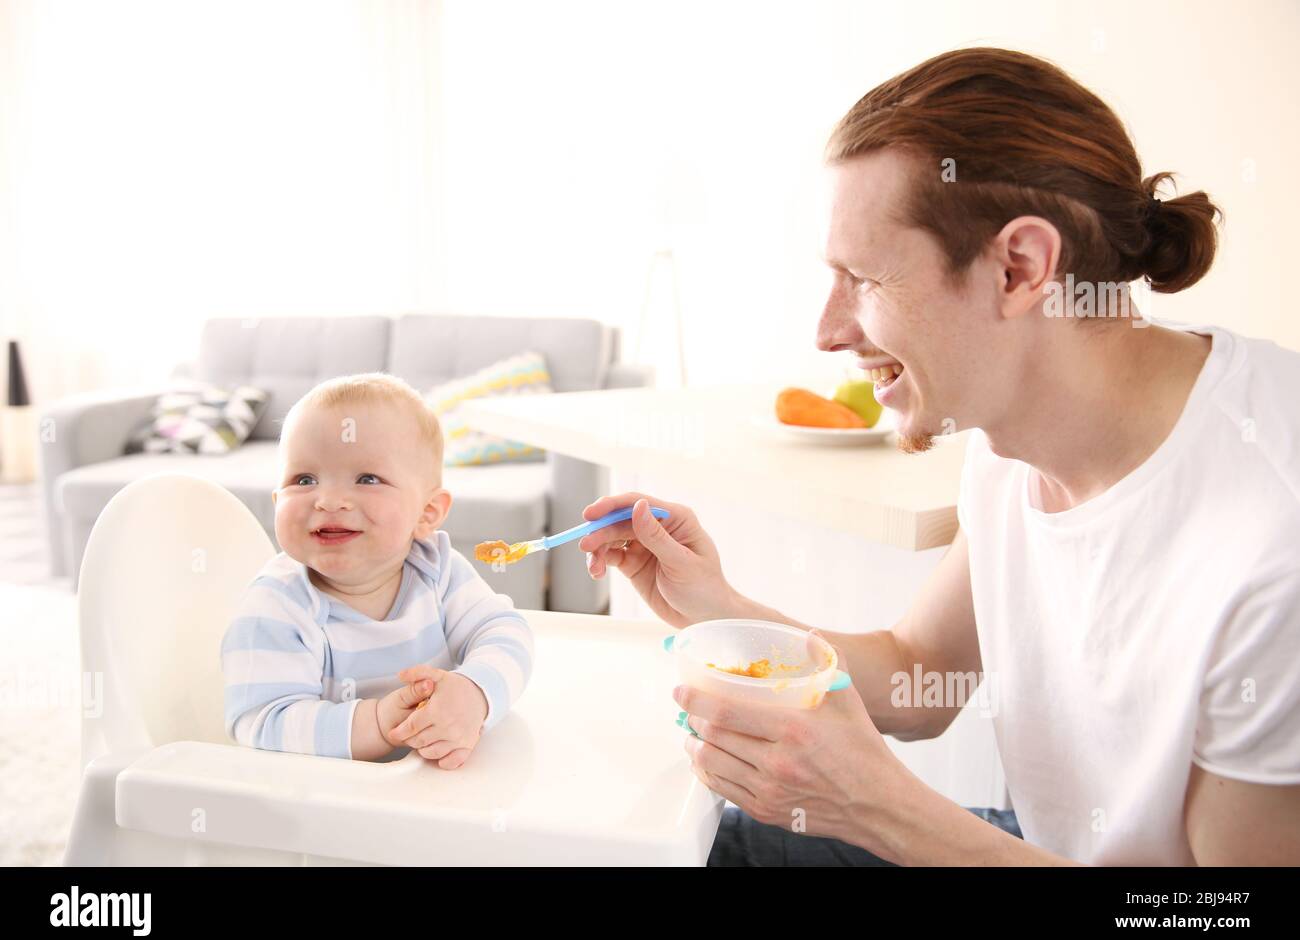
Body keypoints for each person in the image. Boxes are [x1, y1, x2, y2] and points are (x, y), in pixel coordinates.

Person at [579, 48, 1300, 865]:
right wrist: (719, 607)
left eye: (864, 279)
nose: (827, 332)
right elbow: (922, 674)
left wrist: (879, 809)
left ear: (1019, 267)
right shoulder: (1009, 434)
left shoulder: (1272, 544)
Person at [221, 372, 534, 768]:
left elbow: (506, 632)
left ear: (427, 513)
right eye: (304, 479)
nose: (329, 500)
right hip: (330, 807)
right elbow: (259, 721)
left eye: (367, 478)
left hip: (434, 787)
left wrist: (475, 693)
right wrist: (376, 726)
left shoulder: (436, 570)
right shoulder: (277, 606)